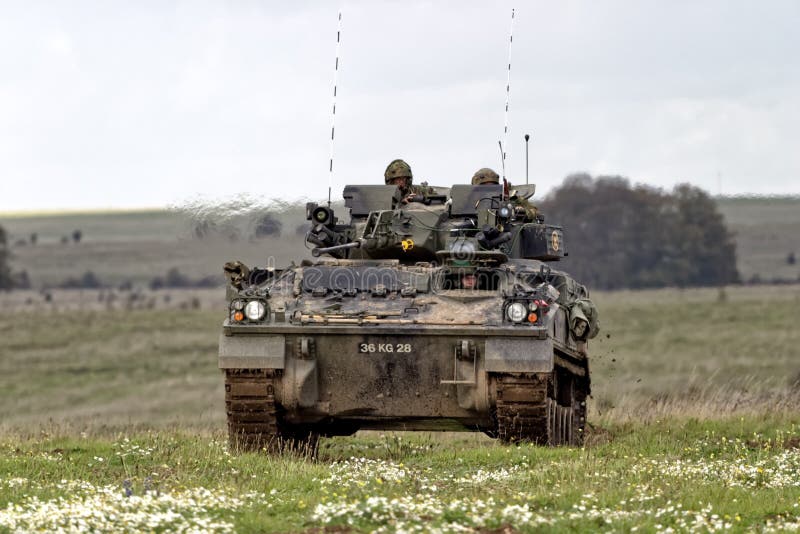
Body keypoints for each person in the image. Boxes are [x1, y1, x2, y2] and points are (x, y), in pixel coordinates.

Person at [470, 167, 538, 220]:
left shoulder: (509, 197)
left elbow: (534, 212)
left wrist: (522, 211)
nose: (488, 190)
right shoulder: (468, 201)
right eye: (484, 187)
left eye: (493, 187)